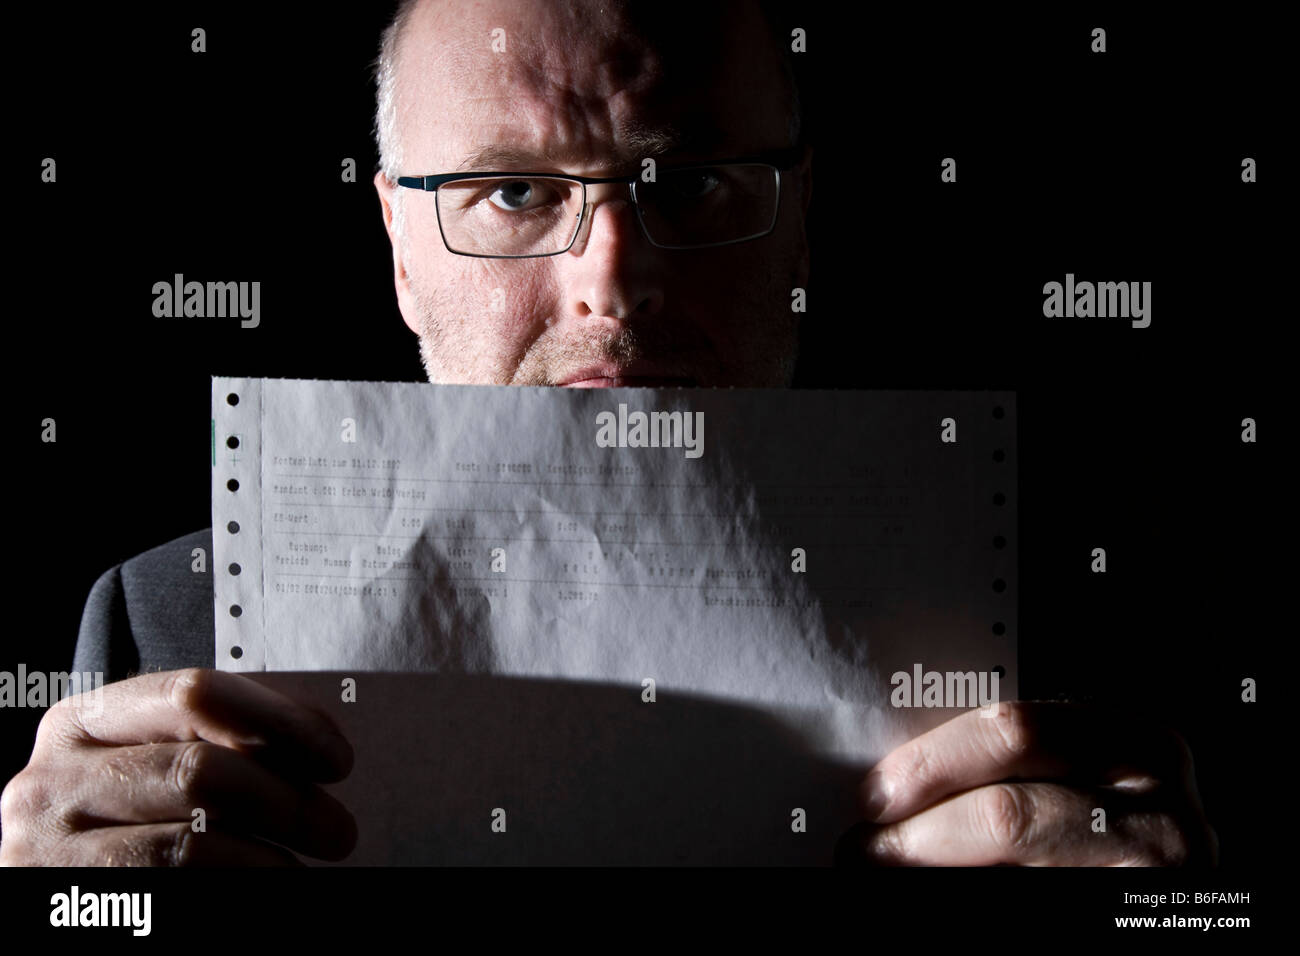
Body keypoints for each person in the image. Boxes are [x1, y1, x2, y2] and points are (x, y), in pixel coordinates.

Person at [0, 0, 1215, 866]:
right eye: (516, 191)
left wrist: (1174, 918)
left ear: (802, 226)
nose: (613, 281)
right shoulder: (168, 627)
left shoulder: (1075, 635)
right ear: (400, 252)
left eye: (689, 184)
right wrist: (73, 917)